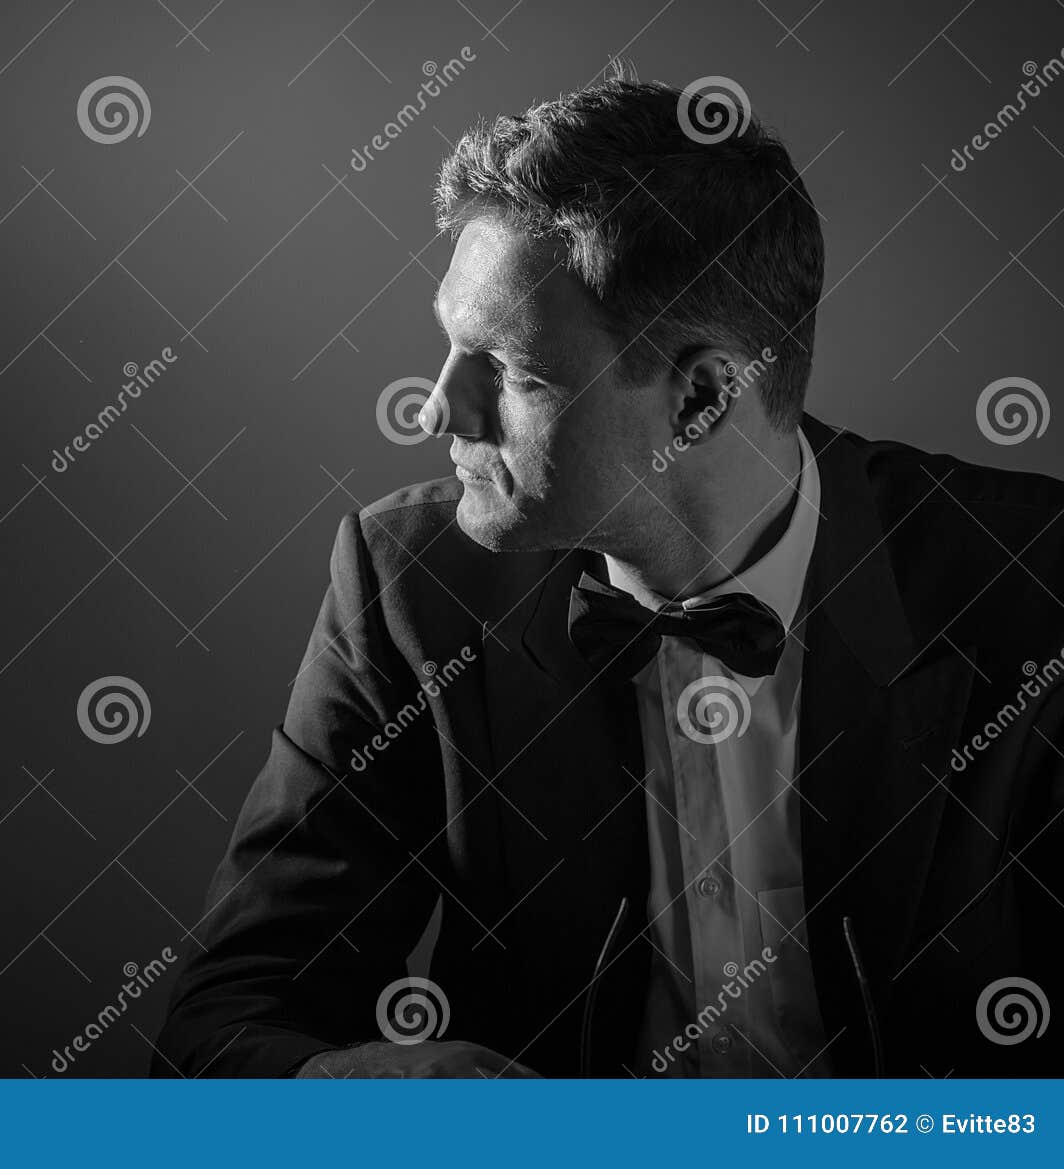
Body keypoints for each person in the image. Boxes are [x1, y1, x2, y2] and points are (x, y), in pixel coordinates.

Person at [153, 70, 1064, 1078]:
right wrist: (350, 1087)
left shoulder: (1036, 582)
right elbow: (224, 1016)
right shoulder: (409, 590)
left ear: (702, 398)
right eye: (451, 346)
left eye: (508, 369)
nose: (436, 409)